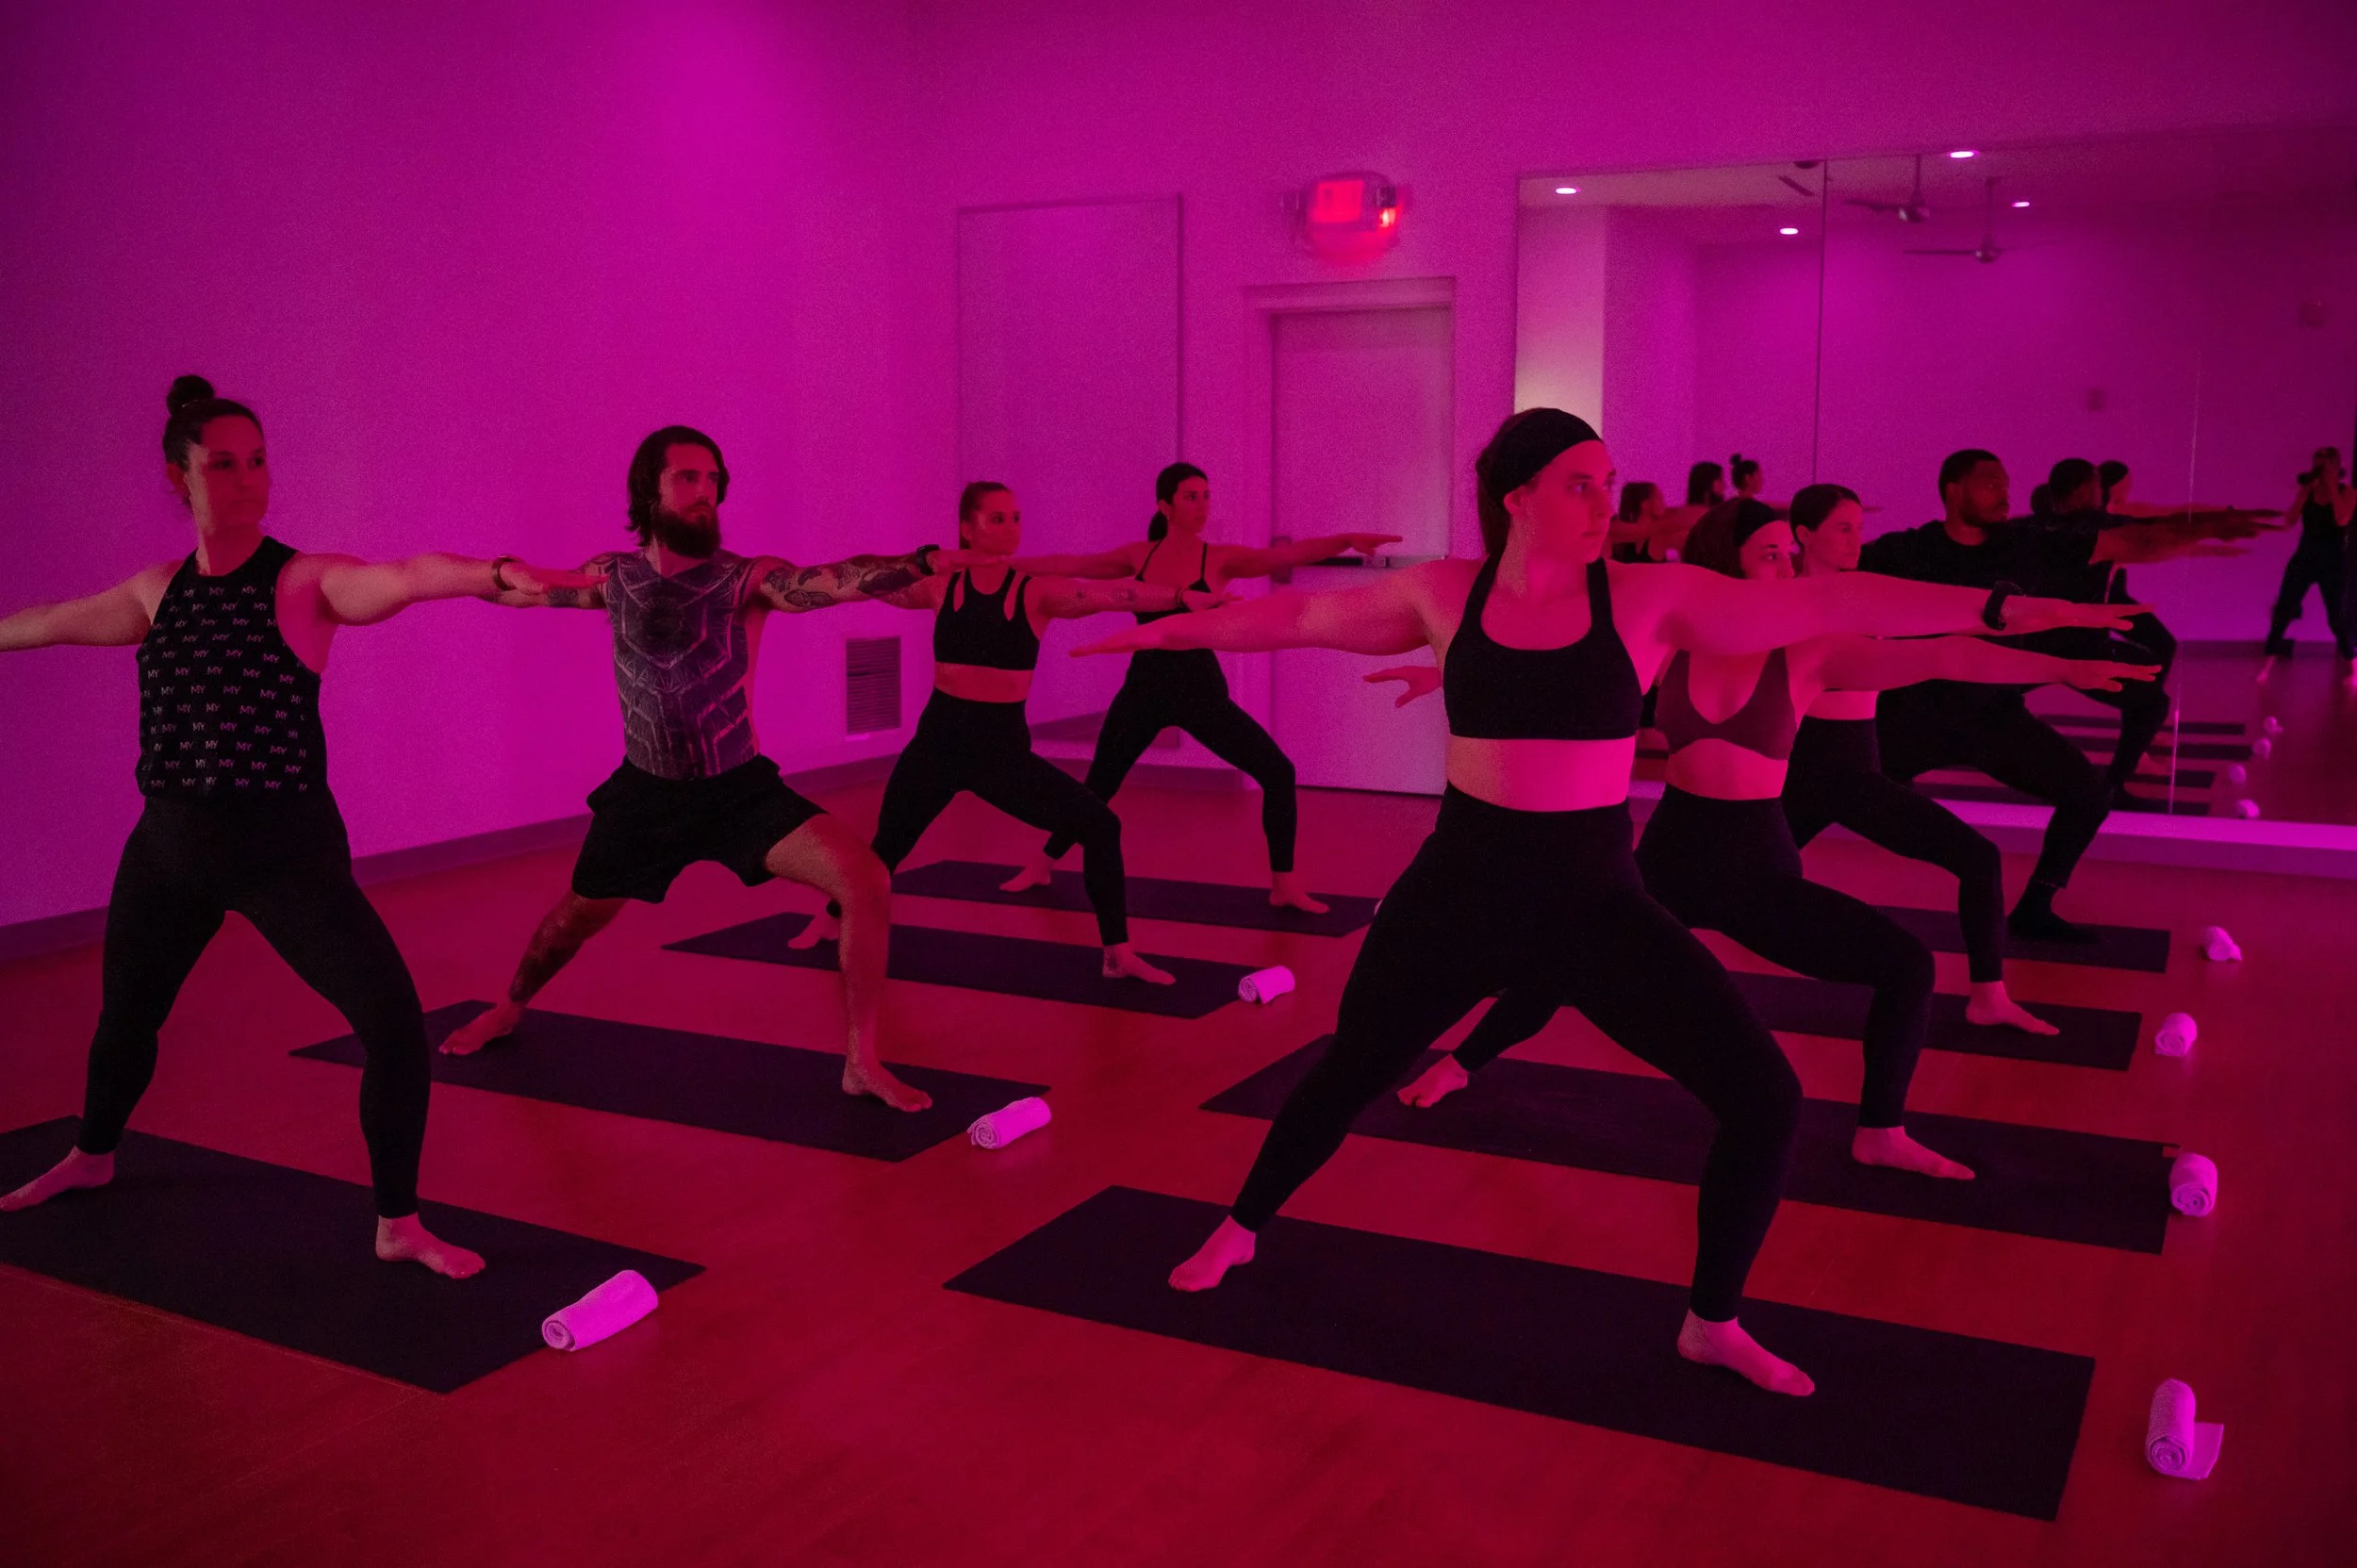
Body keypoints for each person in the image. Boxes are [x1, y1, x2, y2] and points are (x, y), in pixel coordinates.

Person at [1077, 409, 2137, 1396]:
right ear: (1517, 497)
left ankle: (1711, 1320)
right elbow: (1302, 614)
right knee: (1351, 1066)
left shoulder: (1645, 598)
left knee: (1765, 1096)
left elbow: (1829, 601)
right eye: (1581, 485)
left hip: (1595, 896)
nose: (1604, 503)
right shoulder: (1444, 593)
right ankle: (1240, 1225)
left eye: (1608, 483)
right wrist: (1164, 634)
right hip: (1458, 888)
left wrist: (2003, 610)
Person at [0, 375, 598, 1277]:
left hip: (284, 855)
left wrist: (496, 575)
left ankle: (398, 1221)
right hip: (167, 852)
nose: (248, 479)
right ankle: (93, 1151)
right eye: (223, 464)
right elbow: (46, 622)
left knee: (392, 1025)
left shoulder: (304, 583)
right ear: (179, 477)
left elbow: (405, 577)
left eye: (257, 461)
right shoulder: (158, 592)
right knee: (126, 1016)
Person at [1379, 499, 2152, 1160]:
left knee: (1907, 966)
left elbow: (1946, 656)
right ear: (1728, 567)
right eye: (1770, 555)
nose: (1788, 569)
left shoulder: (1810, 654)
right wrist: (1447, 670)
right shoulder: (1667, 646)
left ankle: (1880, 1131)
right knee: (1563, 958)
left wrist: (2056, 666)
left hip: (1757, 868)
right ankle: (1462, 1062)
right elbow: (1559, 673)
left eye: (1789, 553)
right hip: (1669, 854)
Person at [437, 426, 994, 1113]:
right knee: (568, 925)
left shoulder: (746, 579)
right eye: (688, 478)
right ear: (650, 490)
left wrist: (920, 560)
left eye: (713, 479)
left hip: (738, 789)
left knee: (867, 880)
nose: (706, 492)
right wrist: (471, 576)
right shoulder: (613, 577)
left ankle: (862, 1059)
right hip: (646, 795)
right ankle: (509, 1006)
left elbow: (833, 581)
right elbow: (518, 592)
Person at [792, 482, 1227, 983]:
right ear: (967, 528)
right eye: (997, 518)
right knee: (888, 844)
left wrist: (1179, 596)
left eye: (1015, 518)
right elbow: (866, 578)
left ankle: (1117, 954)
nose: (1011, 528)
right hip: (938, 745)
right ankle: (830, 920)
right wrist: (920, 559)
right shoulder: (940, 586)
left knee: (1101, 826)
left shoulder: (1034, 591)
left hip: (1002, 755)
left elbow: (1115, 594)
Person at [1860, 449, 2266, 940]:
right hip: (1914, 713)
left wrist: (2208, 527)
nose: (2005, 493)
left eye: (2006, 483)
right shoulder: (1908, 549)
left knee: (2090, 794)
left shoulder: (2024, 545)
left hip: (1992, 715)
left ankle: (2036, 905)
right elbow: (1831, 576)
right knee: (1830, 789)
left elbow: (2134, 539)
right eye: (1991, 484)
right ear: (1953, 491)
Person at [997, 463, 1395, 914]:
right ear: (1164, 506)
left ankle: (1283, 885)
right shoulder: (1138, 556)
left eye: (1206, 495)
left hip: (1201, 691)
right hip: (1144, 689)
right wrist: (1000, 565)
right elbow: (1072, 566)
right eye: (1191, 497)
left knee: (1277, 773)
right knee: (1100, 784)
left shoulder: (1218, 559)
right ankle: (1041, 864)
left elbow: (1282, 557)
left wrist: (1345, 540)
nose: (1202, 505)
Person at [2262, 446, 2356, 678]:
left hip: (2333, 563)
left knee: (2337, 618)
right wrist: (2303, 494)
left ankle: (2352, 665)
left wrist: (2331, 485)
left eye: (2323, 467)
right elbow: (2289, 520)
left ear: (2335, 468)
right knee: (2284, 609)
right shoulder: (2309, 493)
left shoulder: (2347, 492)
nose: (2319, 471)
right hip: (2305, 558)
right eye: (2316, 466)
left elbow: (2342, 518)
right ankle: (2267, 666)